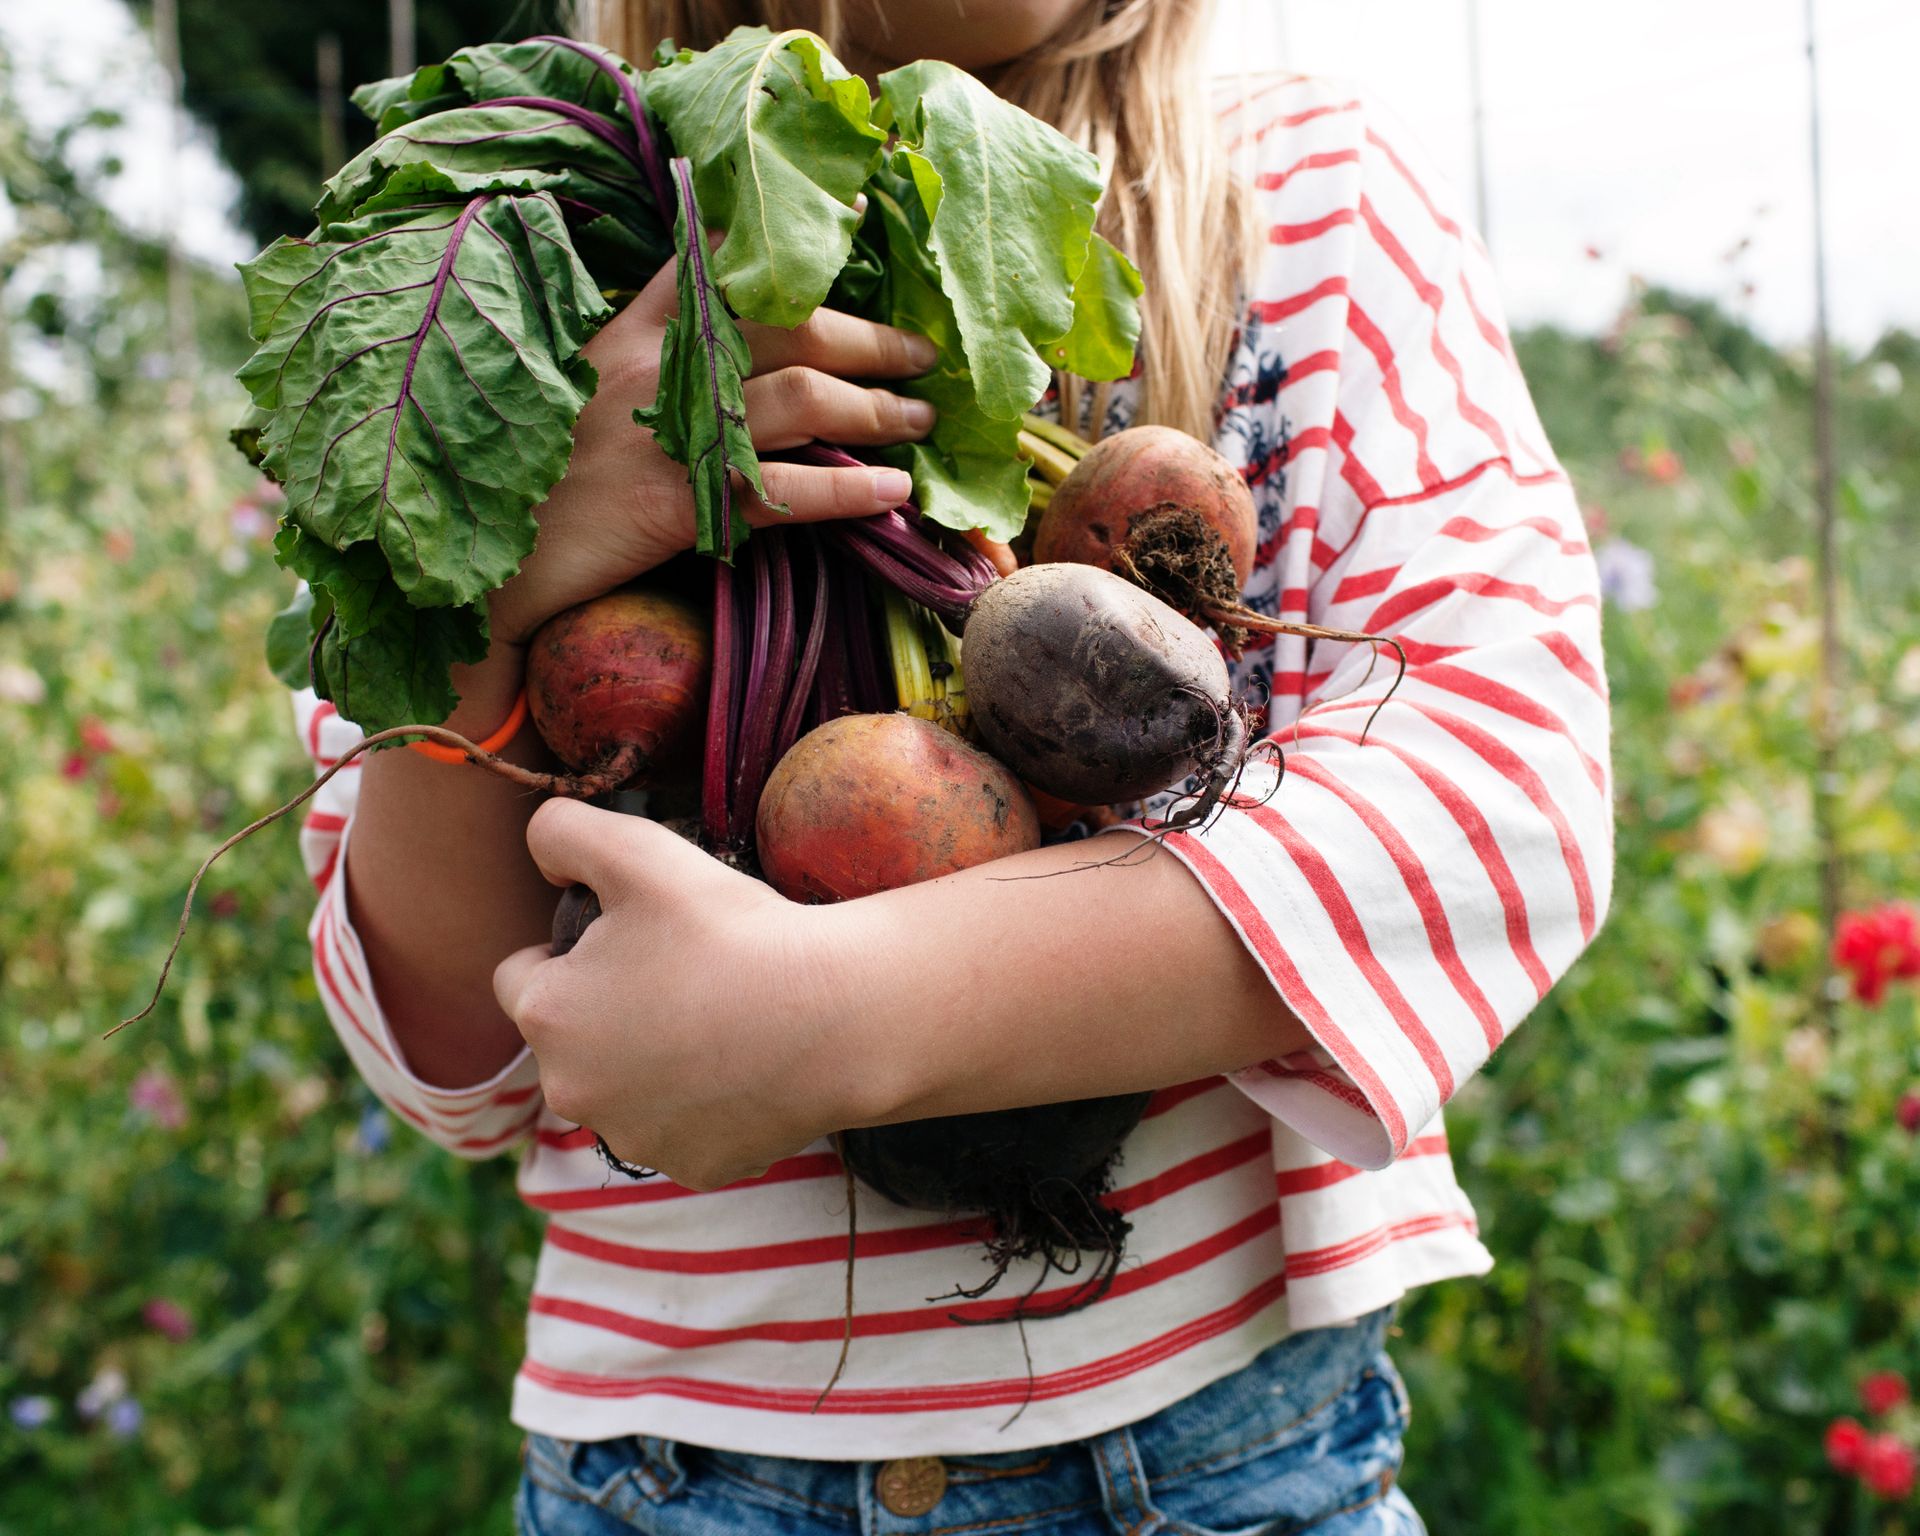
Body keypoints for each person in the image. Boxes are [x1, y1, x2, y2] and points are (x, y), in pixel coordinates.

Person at [291, 1, 1613, 1529]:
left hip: (1221, 1461)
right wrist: (494, 567)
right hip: (666, 1478)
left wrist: (851, 1012)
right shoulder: (552, 287)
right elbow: (454, 1060)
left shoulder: (1294, 192)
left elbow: (1501, 795)